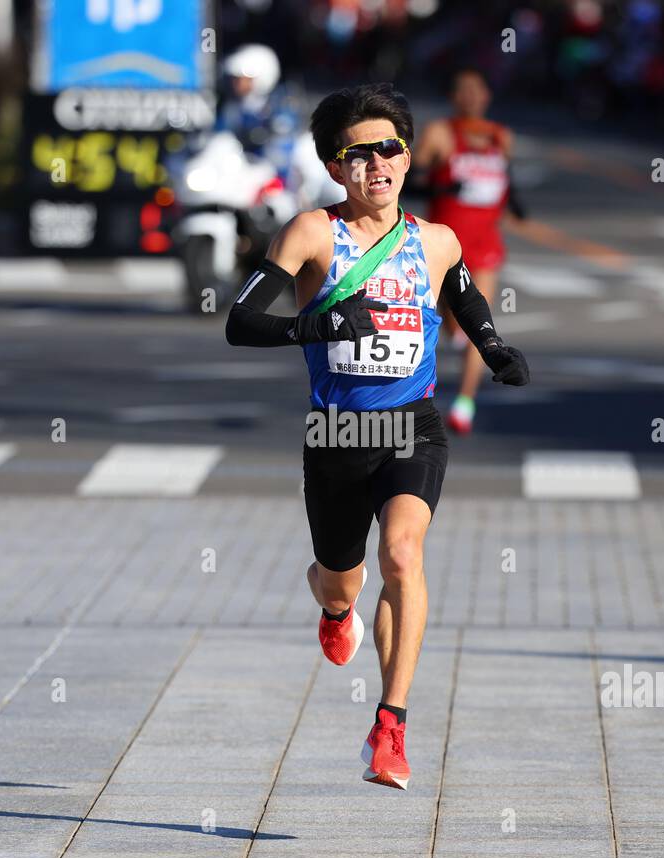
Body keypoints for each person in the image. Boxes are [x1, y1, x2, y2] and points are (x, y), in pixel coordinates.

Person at [226, 83, 530, 790]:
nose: (377, 165)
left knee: (403, 554)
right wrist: (319, 323)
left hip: (412, 427)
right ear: (336, 168)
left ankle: (390, 727)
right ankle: (336, 609)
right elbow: (241, 323)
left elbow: (461, 289)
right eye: (357, 156)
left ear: (405, 155)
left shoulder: (436, 238)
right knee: (341, 577)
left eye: (389, 149)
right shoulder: (310, 233)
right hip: (335, 432)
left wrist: (491, 346)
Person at [412, 67, 526, 435]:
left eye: (479, 90)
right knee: (448, 321)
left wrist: (517, 202)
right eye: (465, 90)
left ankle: (464, 400)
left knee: (482, 322)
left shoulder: (501, 137)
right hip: (443, 242)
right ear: (453, 97)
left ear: (487, 96)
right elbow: (409, 179)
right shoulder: (440, 133)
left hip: (485, 244)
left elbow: (506, 179)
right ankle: (454, 334)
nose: (473, 97)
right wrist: (442, 189)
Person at [214, 44, 298, 184]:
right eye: (235, 79)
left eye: (245, 78)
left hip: (269, 178)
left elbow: (281, 155)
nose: (237, 84)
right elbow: (218, 139)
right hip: (235, 174)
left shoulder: (279, 108)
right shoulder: (231, 107)